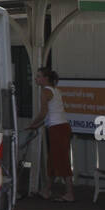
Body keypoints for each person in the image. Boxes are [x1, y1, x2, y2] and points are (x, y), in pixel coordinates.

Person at [29, 67, 75, 202]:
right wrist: (37, 125)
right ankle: (46, 190)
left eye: (38, 76)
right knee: (54, 159)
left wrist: (33, 123)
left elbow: (43, 113)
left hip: (57, 129)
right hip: (62, 127)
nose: (36, 78)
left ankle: (69, 193)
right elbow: (52, 114)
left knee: (61, 159)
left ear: (45, 79)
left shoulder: (45, 92)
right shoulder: (56, 91)